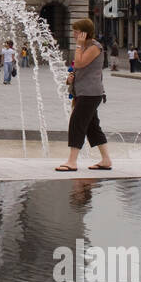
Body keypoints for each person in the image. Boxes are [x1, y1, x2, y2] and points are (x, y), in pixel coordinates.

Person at [56, 17, 112, 172]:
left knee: (76, 123)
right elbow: (78, 67)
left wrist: (79, 46)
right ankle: (106, 160)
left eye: (76, 31)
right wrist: (70, 79)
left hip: (91, 93)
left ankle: (72, 162)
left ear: (84, 32)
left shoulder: (95, 46)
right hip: (84, 91)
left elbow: (80, 63)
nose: (74, 33)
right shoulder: (85, 46)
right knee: (92, 127)